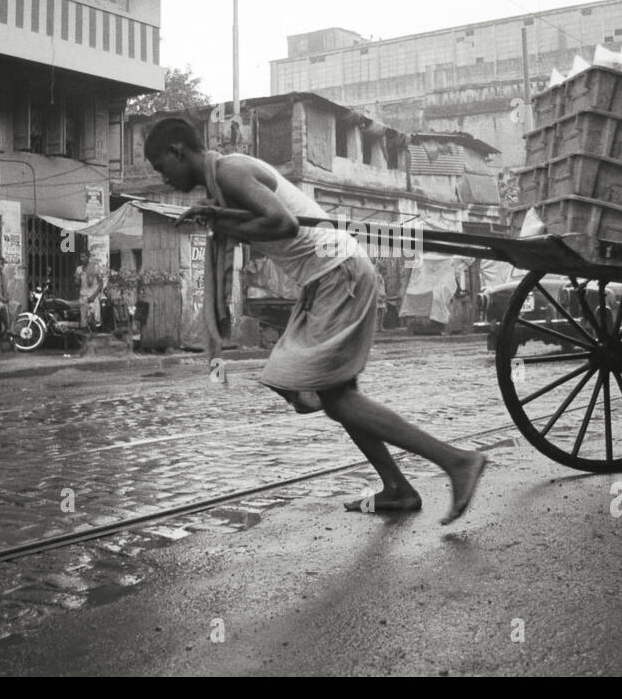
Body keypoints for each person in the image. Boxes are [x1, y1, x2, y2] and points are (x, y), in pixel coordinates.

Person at [144, 118, 486, 524]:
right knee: (339, 398)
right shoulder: (223, 179)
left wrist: (220, 220)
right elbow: (266, 225)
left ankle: (457, 461)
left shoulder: (229, 172)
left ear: (178, 150)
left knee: (335, 397)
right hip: (328, 275)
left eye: (161, 166)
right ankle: (397, 486)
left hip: (337, 273)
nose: (164, 178)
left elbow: (283, 223)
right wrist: (219, 216)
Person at [75, 250, 104, 330]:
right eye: (81, 257)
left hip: (93, 298)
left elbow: (101, 283)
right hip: (83, 298)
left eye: (84, 257)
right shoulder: (79, 269)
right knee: (83, 322)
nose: (82, 259)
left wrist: (93, 296)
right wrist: (76, 279)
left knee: (94, 322)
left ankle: (96, 340)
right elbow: (77, 284)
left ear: (88, 257)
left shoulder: (95, 267)